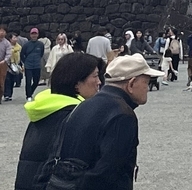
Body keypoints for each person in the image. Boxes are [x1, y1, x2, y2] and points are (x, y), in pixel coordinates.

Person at [54, 53, 164, 190]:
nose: (147, 88)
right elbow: (110, 171)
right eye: (146, 82)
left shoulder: (85, 104)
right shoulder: (122, 115)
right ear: (131, 84)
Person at [15, 52, 102, 190]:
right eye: (95, 76)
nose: (99, 82)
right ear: (77, 84)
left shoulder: (44, 109)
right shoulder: (77, 116)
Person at [20, 29, 45, 100]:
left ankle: (30, 92)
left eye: (35, 34)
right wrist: (25, 62)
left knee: (36, 81)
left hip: (37, 65)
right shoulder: (26, 45)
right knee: (28, 81)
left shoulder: (40, 44)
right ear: (30, 35)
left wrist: (38, 60)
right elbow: (22, 54)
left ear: (37, 35)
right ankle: (28, 96)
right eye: (32, 34)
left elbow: (41, 53)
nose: (34, 35)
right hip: (28, 65)